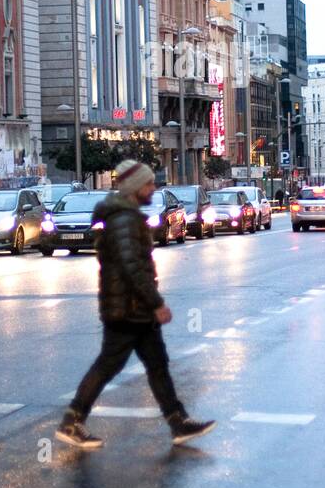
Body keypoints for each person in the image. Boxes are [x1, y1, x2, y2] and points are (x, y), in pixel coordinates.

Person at [56, 159, 215, 449]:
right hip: (127, 309)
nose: (153, 188)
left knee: (157, 365)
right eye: (149, 184)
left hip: (133, 308)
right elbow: (133, 267)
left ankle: (178, 422)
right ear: (134, 187)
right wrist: (156, 303)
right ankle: (72, 421)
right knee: (109, 365)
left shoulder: (126, 216)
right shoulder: (125, 220)